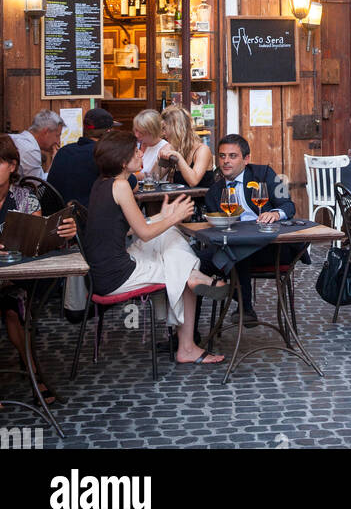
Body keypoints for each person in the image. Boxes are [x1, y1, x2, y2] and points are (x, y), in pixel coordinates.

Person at [83, 131, 224, 363]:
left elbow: (128, 229)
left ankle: (194, 276)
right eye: (135, 150)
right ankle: (186, 347)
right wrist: (174, 216)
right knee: (181, 272)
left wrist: (163, 217)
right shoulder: (120, 186)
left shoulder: (102, 184)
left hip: (102, 271)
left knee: (169, 234)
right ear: (121, 160)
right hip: (115, 276)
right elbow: (145, 234)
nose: (141, 152)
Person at [0, 133, 84, 402]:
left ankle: (34, 373)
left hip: (15, 278)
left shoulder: (25, 199)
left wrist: (64, 233)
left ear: (13, 166)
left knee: (13, 309)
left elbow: (36, 243)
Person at [203, 135, 297, 326]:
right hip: (234, 247)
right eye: (222, 156)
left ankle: (243, 304)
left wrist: (276, 214)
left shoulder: (264, 174)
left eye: (232, 156)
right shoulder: (214, 191)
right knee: (195, 260)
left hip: (270, 247)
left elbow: (288, 205)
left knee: (235, 250)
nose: (226, 161)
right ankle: (188, 338)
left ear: (246, 159)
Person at [47, 107, 115, 206]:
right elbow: (131, 184)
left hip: (57, 216)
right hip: (87, 217)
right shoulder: (103, 154)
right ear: (108, 132)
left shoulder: (63, 151)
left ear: (84, 128)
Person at [159, 106, 214, 188]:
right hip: (180, 199)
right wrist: (162, 159)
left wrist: (178, 157)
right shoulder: (175, 148)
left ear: (176, 129)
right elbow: (157, 177)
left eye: (164, 129)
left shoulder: (202, 150)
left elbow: (193, 181)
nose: (163, 133)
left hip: (201, 200)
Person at [12, 111, 65, 182]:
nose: (58, 141)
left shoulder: (21, 139)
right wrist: (55, 161)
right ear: (46, 132)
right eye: (57, 135)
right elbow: (39, 188)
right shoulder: (30, 149)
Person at [133, 109, 170, 178]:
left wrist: (130, 176)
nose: (136, 135)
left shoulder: (166, 148)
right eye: (135, 130)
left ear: (153, 132)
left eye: (141, 132)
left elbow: (155, 177)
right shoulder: (137, 144)